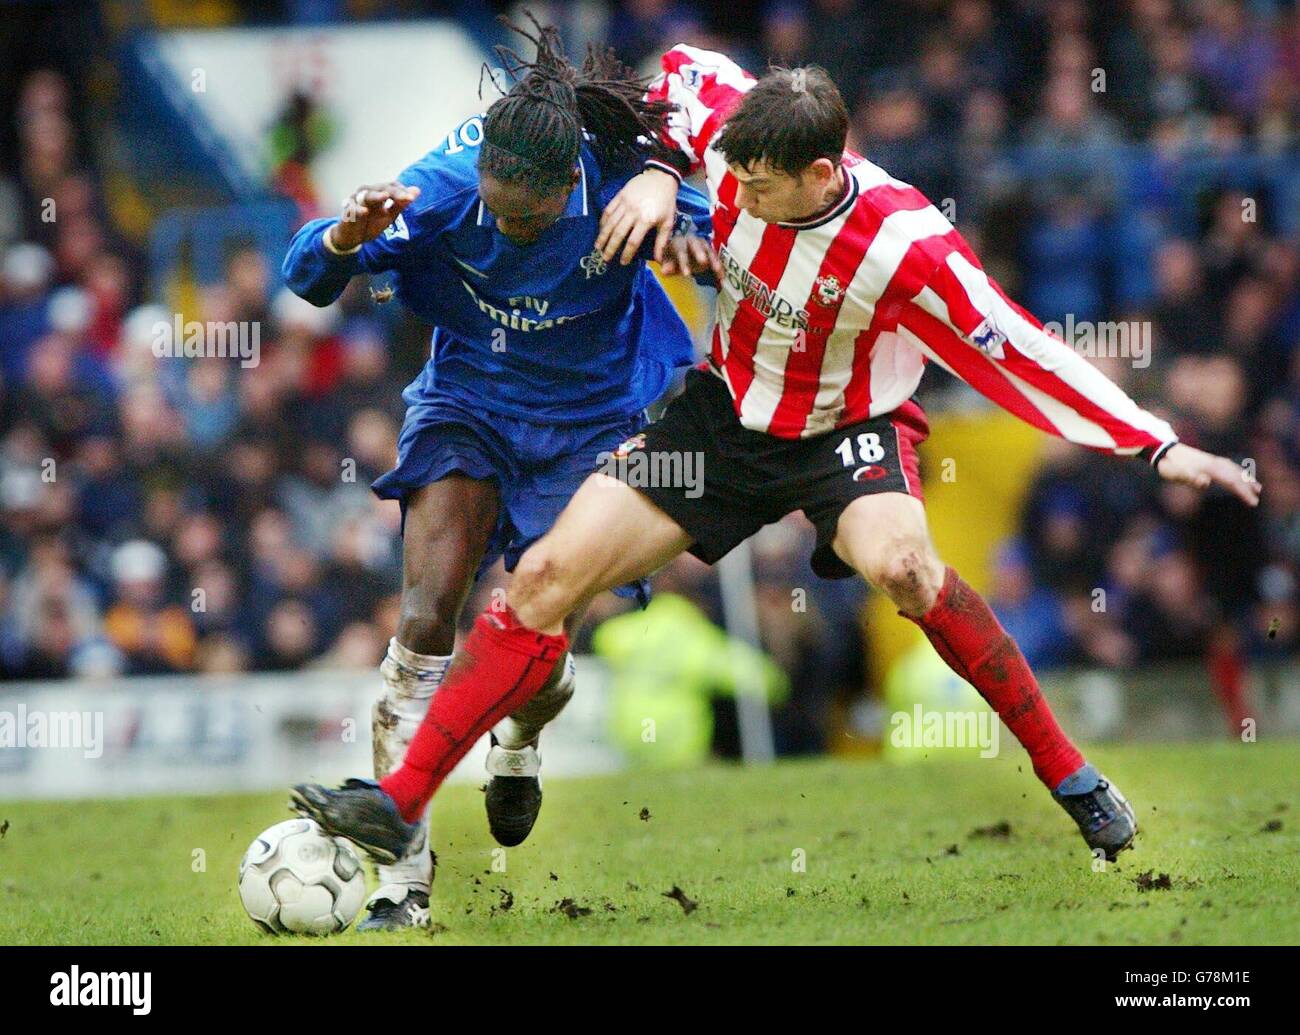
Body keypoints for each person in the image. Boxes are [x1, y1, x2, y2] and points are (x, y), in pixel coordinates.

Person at [290, 45, 1261, 882]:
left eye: (754, 186)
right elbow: (673, 72)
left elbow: (1015, 348)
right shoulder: (724, 130)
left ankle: (1074, 779)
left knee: (907, 571)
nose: (735, 198)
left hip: (847, 434)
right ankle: (397, 803)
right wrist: (665, 171)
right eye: (728, 175)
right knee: (541, 581)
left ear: (819, 171)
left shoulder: (905, 245)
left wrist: (1156, 443)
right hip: (723, 421)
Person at [280, 19, 712, 930]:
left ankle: (519, 736)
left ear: (570, 187)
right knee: (426, 621)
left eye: (528, 217)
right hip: (469, 404)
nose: (507, 227)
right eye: (496, 210)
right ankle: (402, 885)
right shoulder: (443, 193)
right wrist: (344, 239)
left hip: (591, 423)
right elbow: (305, 278)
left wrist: (676, 198)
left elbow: (735, 233)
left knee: (531, 627)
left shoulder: (619, 188)